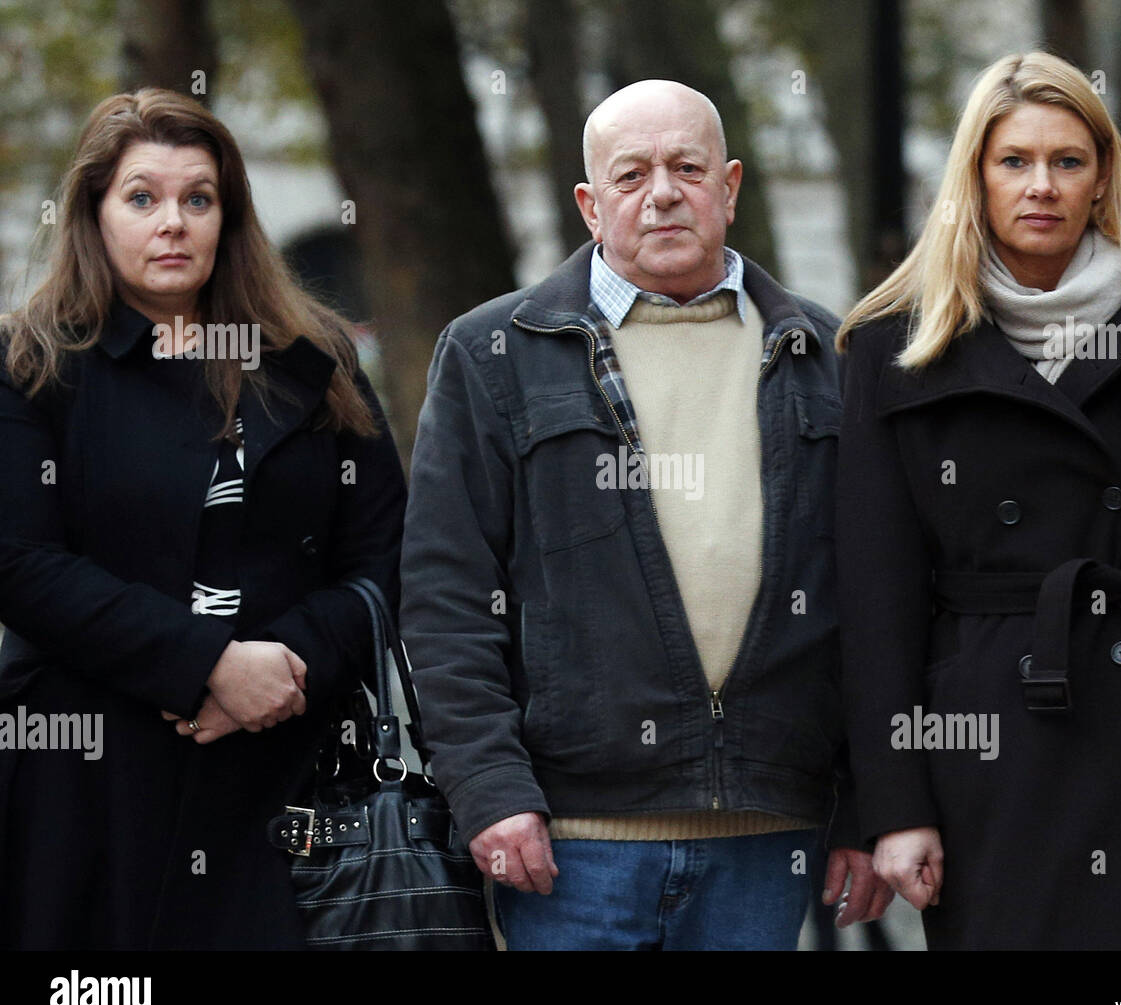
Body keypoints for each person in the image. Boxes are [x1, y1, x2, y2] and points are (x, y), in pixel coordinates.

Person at [400, 79, 890, 950]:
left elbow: (876, 599)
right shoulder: (493, 354)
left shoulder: (827, 356)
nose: (661, 194)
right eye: (630, 176)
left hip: (766, 837)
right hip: (568, 842)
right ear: (591, 206)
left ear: (729, 189)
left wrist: (867, 803)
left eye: (687, 169)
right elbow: (447, 597)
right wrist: (490, 789)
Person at [836, 51, 1121, 950]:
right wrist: (895, 806)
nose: (1041, 185)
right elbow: (874, 596)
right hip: (991, 736)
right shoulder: (899, 343)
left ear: (1103, 176)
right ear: (975, 177)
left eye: (1067, 160)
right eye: (1014, 161)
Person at [0, 88, 406, 950]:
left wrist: (284, 665)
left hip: (287, 777)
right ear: (94, 214)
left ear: (229, 217)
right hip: (89, 781)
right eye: (141, 197)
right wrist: (206, 665)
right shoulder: (31, 364)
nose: (172, 223)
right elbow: (20, 562)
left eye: (198, 198)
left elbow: (385, 555)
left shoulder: (315, 359)